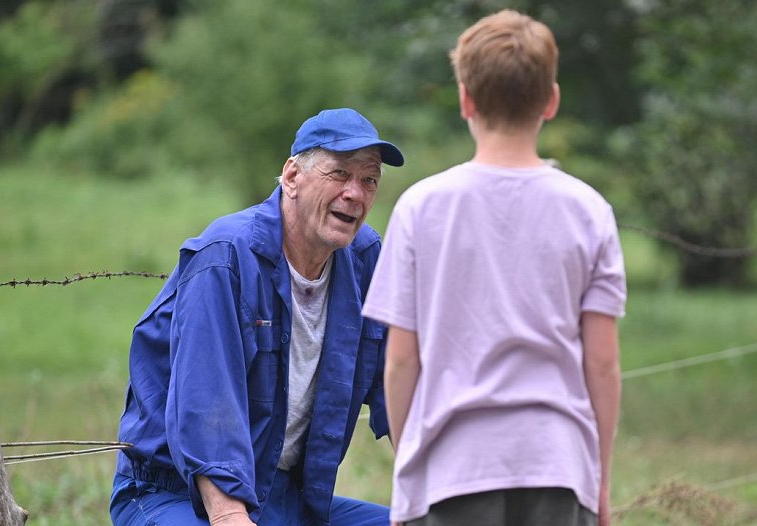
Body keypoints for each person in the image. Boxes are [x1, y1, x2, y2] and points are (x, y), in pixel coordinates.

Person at [362, 10, 626, 526]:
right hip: (558, 465)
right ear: (551, 100)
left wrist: (410, 475)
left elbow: (401, 362)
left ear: (465, 99)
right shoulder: (589, 211)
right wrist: (599, 480)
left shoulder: (421, 208)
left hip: (452, 470)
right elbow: (602, 364)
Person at [110, 108, 405, 526]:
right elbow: (205, 404)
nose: (355, 193)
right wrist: (230, 515)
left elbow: (401, 388)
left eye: (369, 179)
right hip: (174, 495)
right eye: (339, 173)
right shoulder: (225, 258)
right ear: (292, 177)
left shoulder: (365, 258)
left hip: (285, 500)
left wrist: (441, 495)